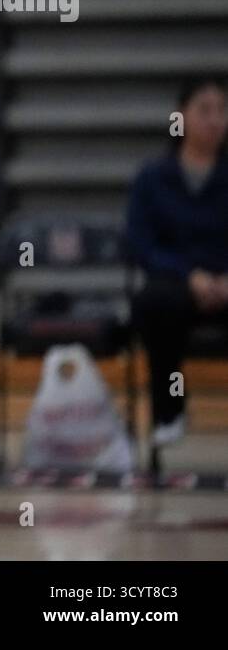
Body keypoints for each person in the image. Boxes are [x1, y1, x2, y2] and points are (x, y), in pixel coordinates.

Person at [126, 76, 228, 447]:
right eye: (205, 110)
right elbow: (140, 244)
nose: (215, 120)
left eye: (222, 110)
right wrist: (190, 277)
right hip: (178, 283)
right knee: (154, 303)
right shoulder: (153, 178)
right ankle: (169, 412)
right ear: (180, 117)